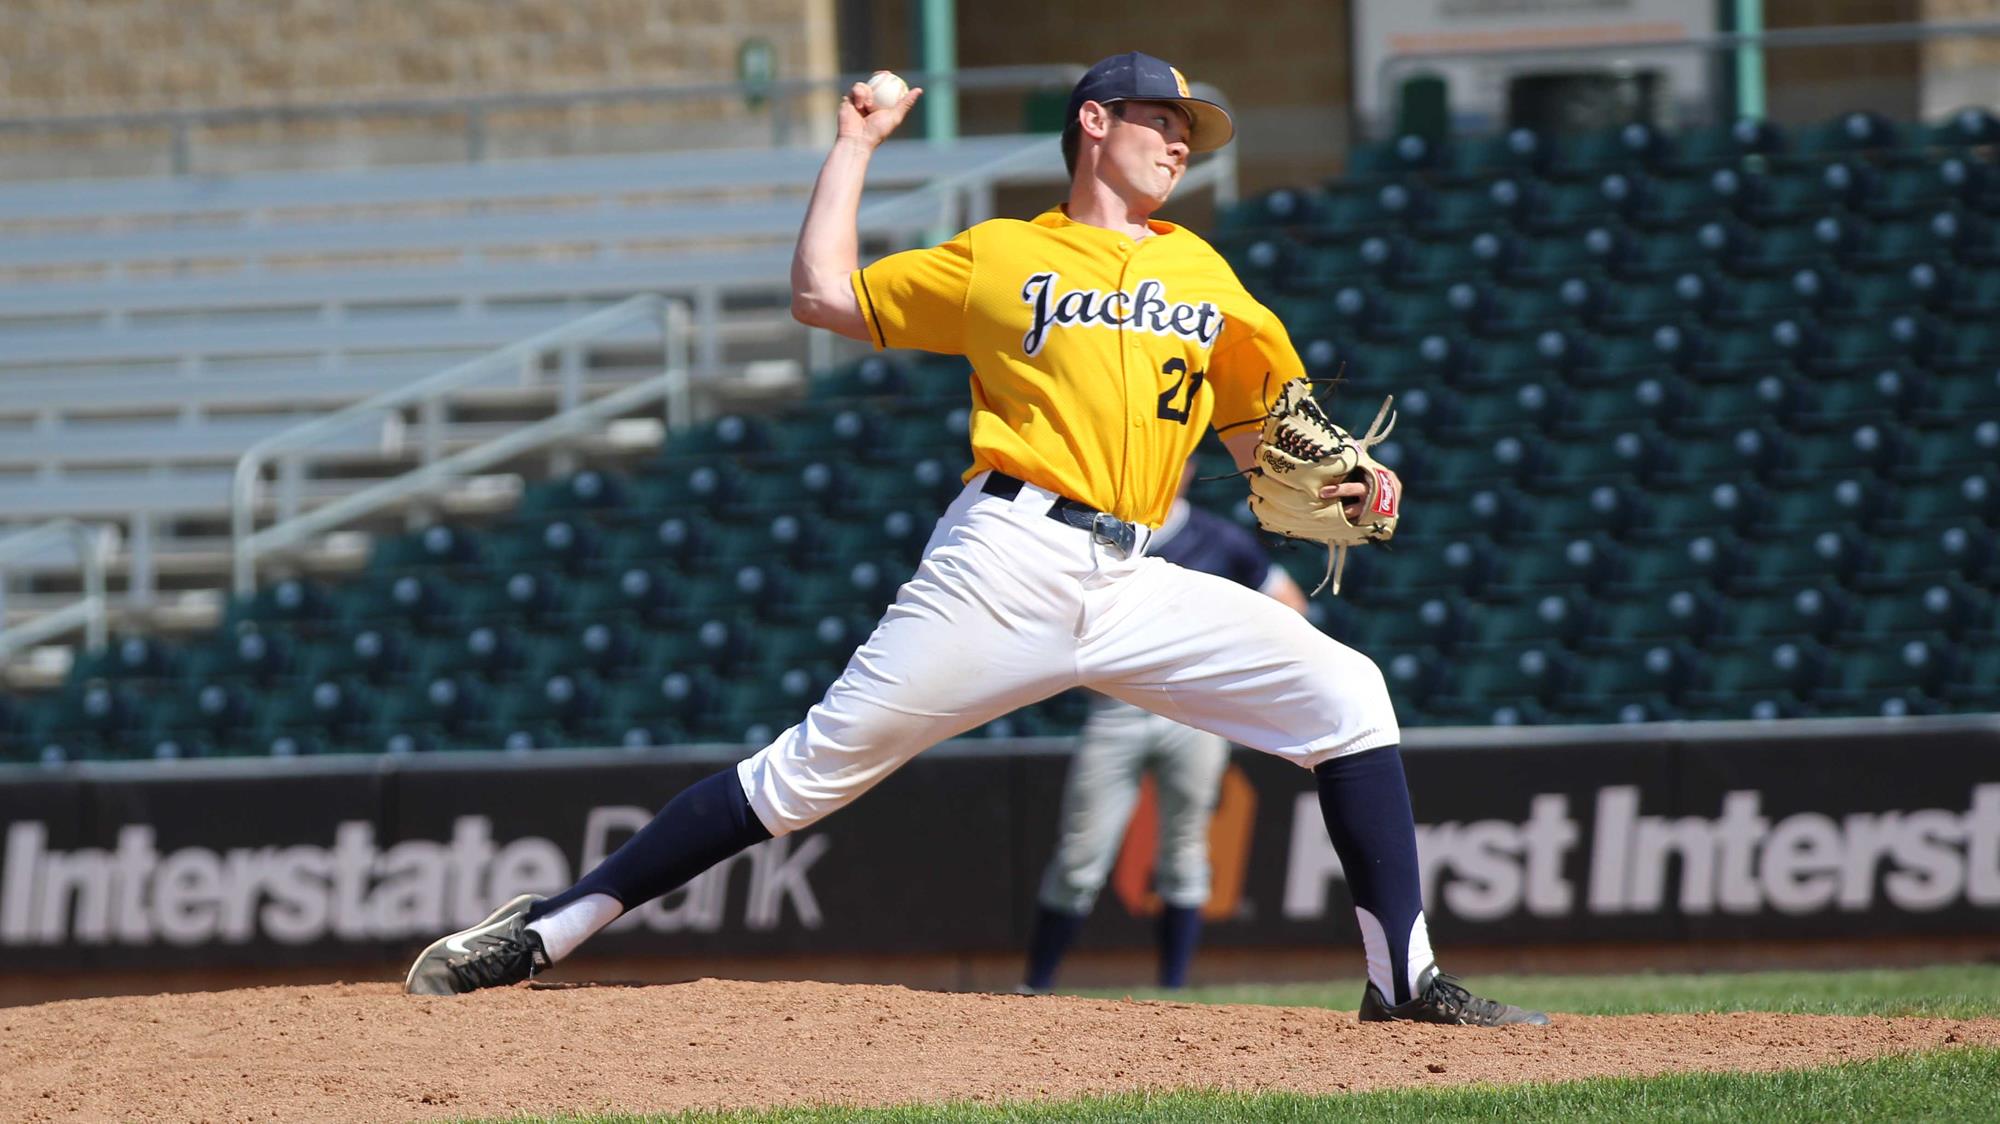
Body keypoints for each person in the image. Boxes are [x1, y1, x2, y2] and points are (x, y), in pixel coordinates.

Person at [405, 51, 1548, 1027]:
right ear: (1092, 123)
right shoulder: (1003, 254)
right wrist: (855, 142)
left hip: (1137, 569)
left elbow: (1264, 445)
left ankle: (1401, 980)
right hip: (1005, 559)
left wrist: (1342, 483)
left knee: (1349, 696)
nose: (1180, 144)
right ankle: (549, 929)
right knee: (802, 776)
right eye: (1162, 121)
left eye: (1190, 133)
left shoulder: (1203, 272)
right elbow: (819, 295)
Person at [1022, 462, 1306, 994]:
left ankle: (1173, 992)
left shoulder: (1217, 537)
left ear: (1189, 469)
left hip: (1192, 711)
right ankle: (1035, 986)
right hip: (1115, 711)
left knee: (1184, 852)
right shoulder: (1100, 533)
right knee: (1080, 857)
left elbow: (1290, 605)